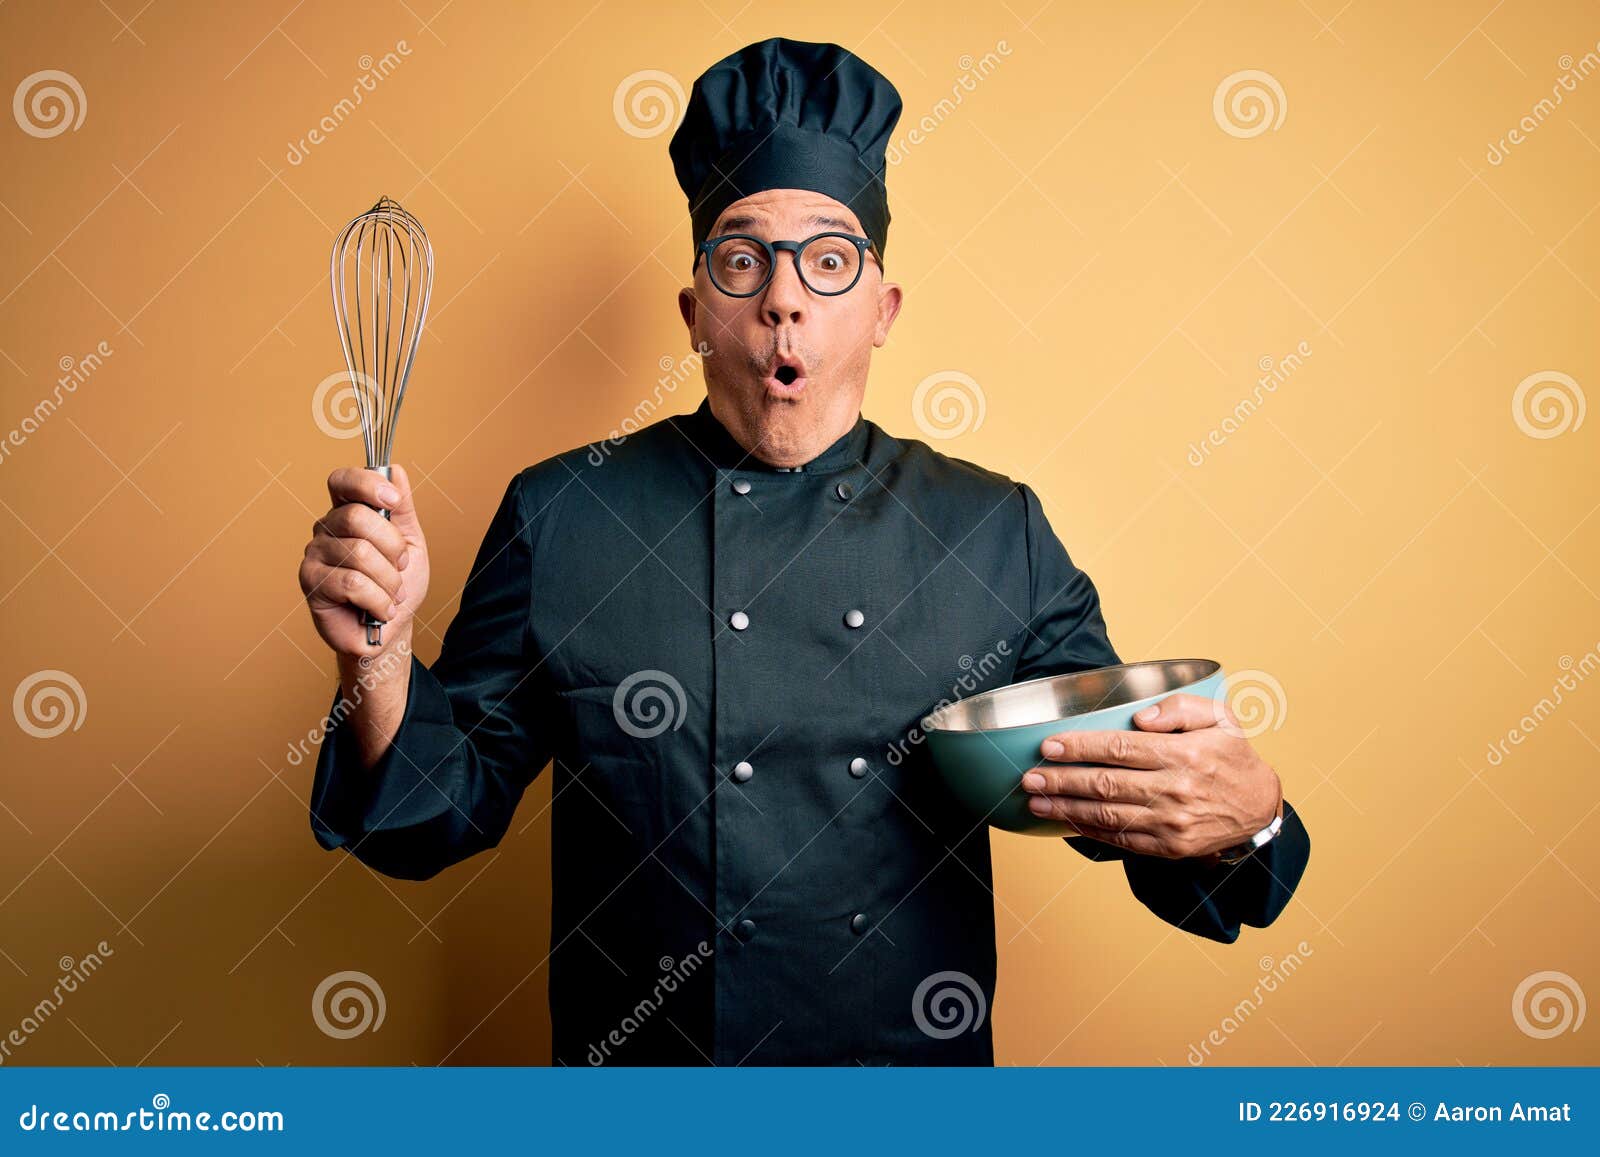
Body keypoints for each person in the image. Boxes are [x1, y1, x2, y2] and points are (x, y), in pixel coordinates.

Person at [297, 37, 1310, 1066]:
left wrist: (1248, 816)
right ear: (696, 314)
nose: (783, 297)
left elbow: (1128, 800)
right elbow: (430, 819)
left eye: (828, 261)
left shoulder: (989, 531)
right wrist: (376, 657)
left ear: (882, 310)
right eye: (741, 260)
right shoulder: (563, 512)